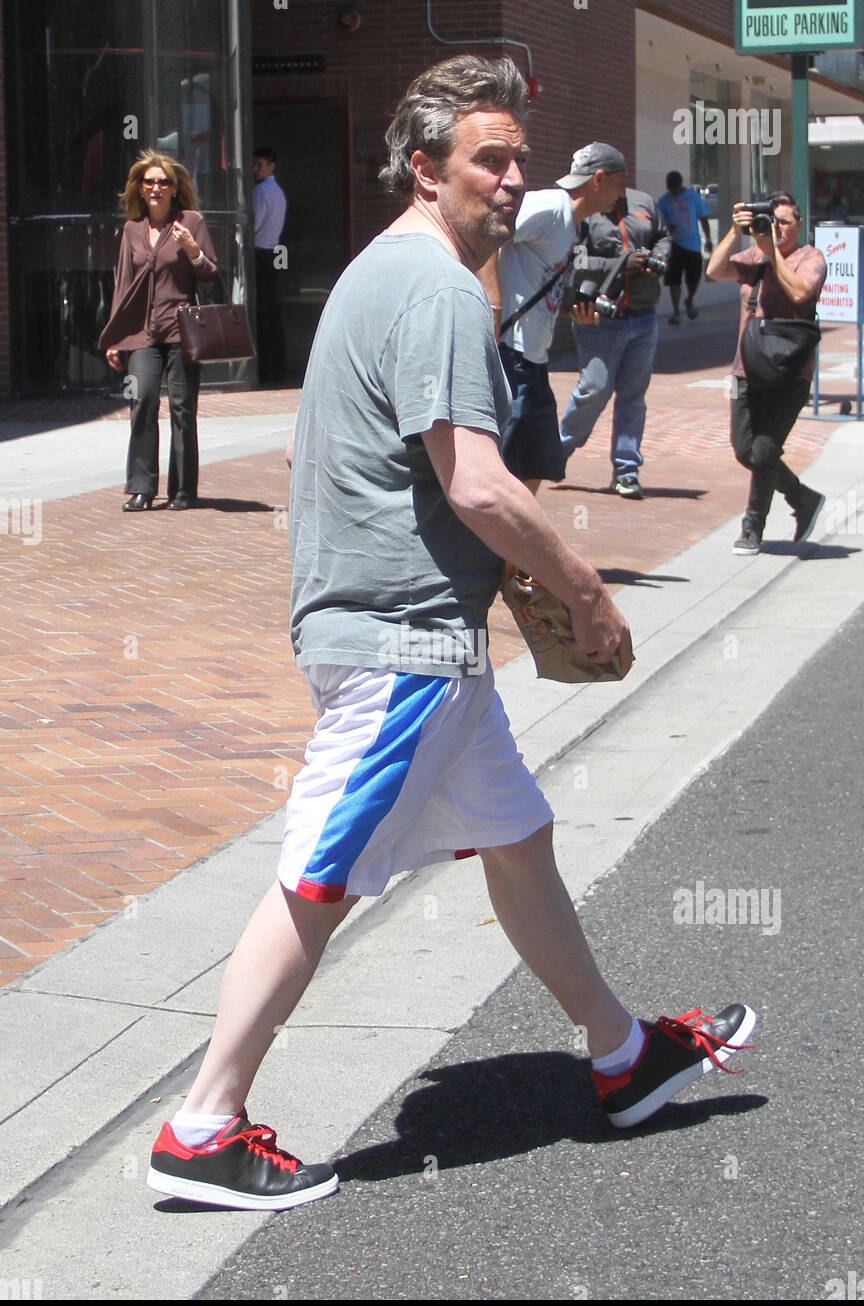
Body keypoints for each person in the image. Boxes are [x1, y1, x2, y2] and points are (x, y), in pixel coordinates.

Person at [146, 55, 756, 1213]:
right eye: (490, 159)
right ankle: (202, 1123)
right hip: (403, 645)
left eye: (519, 159)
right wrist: (583, 588)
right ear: (423, 169)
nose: (513, 178)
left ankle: (622, 1057)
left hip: (413, 637)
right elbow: (476, 481)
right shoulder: (432, 289)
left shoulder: (387, 274)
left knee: (518, 840)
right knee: (318, 870)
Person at [481, 143, 627, 494]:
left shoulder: (573, 226)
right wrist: (493, 300)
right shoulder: (549, 207)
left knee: (536, 463)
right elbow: (488, 233)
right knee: (500, 469)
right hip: (510, 354)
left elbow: (541, 283)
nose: (623, 193)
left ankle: (507, 547)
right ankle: (483, 546)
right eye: (620, 182)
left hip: (534, 360)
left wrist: (576, 309)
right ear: (599, 178)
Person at [706, 192, 827, 555]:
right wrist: (734, 230)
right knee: (745, 449)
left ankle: (752, 527)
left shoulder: (811, 257)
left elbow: (801, 292)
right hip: (747, 369)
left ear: (799, 224)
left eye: (785, 222)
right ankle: (802, 497)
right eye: (774, 222)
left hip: (790, 374)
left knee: (764, 451)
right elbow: (714, 270)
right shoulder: (754, 255)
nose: (778, 229)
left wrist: (770, 251)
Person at [99, 149, 218, 511]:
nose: (156, 188)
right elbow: (123, 284)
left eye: (163, 181)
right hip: (142, 334)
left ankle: (183, 490)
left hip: (182, 329)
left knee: (183, 408)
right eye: (149, 181)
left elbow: (210, 271)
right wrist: (115, 338)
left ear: (174, 187)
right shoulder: (132, 230)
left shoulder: (191, 222)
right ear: (140, 187)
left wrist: (192, 249)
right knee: (143, 399)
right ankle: (142, 488)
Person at [558, 183, 671, 499]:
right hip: (598, 318)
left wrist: (657, 256)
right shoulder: (585, 210)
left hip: (643, 316)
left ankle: (626, 472)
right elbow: (574, 261)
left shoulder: (644, 201)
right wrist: (622, 262)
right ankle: (558, 451)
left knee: (633, 396)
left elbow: (663, 236)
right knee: (594, 388)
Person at [657, 171, 713, 323]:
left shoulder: (693, 198)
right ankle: (676, 312)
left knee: (693, 279)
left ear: (680, 185)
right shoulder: (663, 201)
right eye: (671, 189)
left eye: (675, 189)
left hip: (692, 245)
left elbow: (703, 219)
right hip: (672, 246)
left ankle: (689, 299)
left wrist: (708, 239)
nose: (673, 192)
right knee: (674, 280)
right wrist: (667, 227)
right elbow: (658, 222)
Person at [252, 146, 288, 383]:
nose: (255, 169)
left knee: (262, 314)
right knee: (272, 311)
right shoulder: (278, 191)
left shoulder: (261, 191)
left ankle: (266, 366)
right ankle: (277, 366)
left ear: (271, 166)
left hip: (260, 252)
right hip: (272, 251)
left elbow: (253, 224)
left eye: (260, 165)